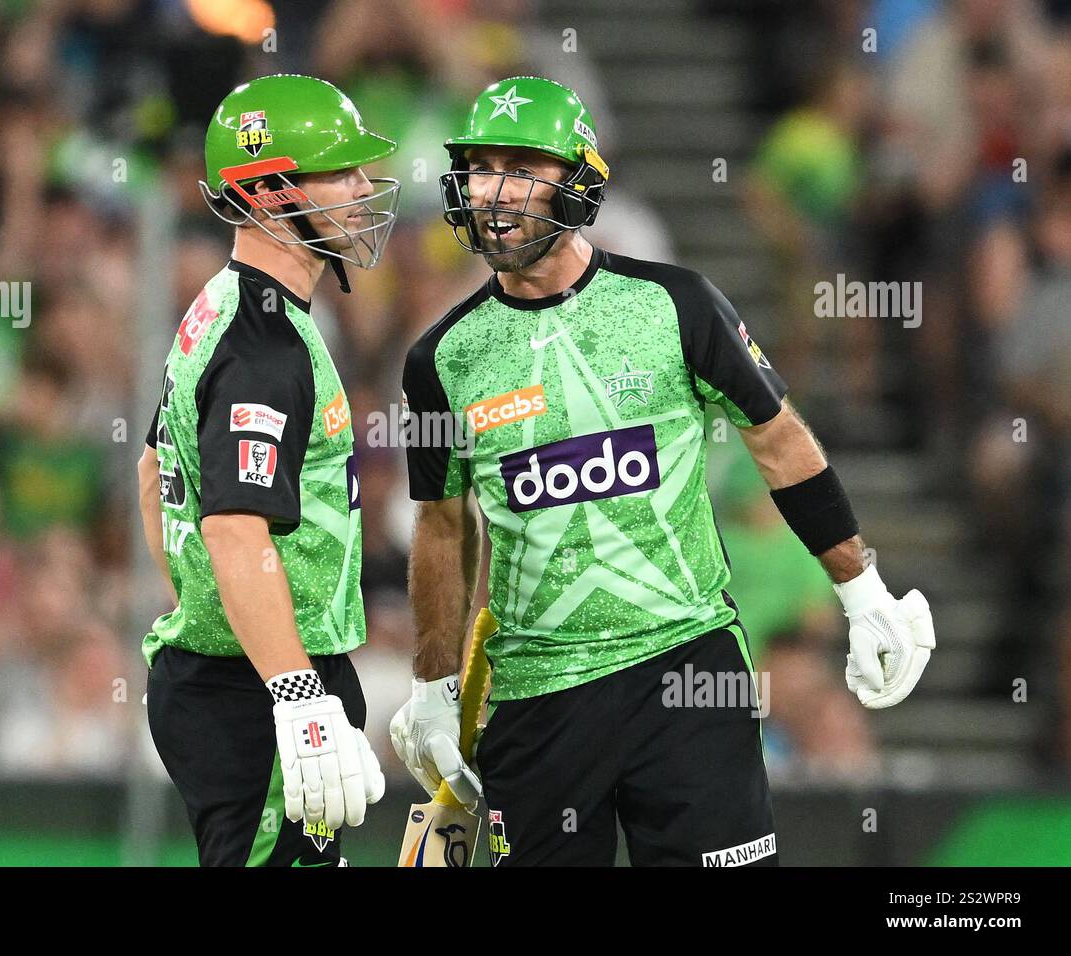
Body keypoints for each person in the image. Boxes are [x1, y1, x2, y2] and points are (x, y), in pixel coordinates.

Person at [390, 76, 937, 867]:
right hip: (536, 700)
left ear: (578, 180)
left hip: (686, 674)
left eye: (523, 165)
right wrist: (435, 687)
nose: (496, 191)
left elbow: (780, 443)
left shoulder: (676, 304)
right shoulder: (440, 359)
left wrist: (861, 590)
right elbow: (442, 526)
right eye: (480, 166)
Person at [139, 74, 398, 867]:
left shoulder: (221, 307)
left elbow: (153, 477)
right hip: (260, 691)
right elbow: (231, 527)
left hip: (235, 672)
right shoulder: (265, 349)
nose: (362, 189)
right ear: (269, 191)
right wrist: (295, 695)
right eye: (339, 172)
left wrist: (213, 615)